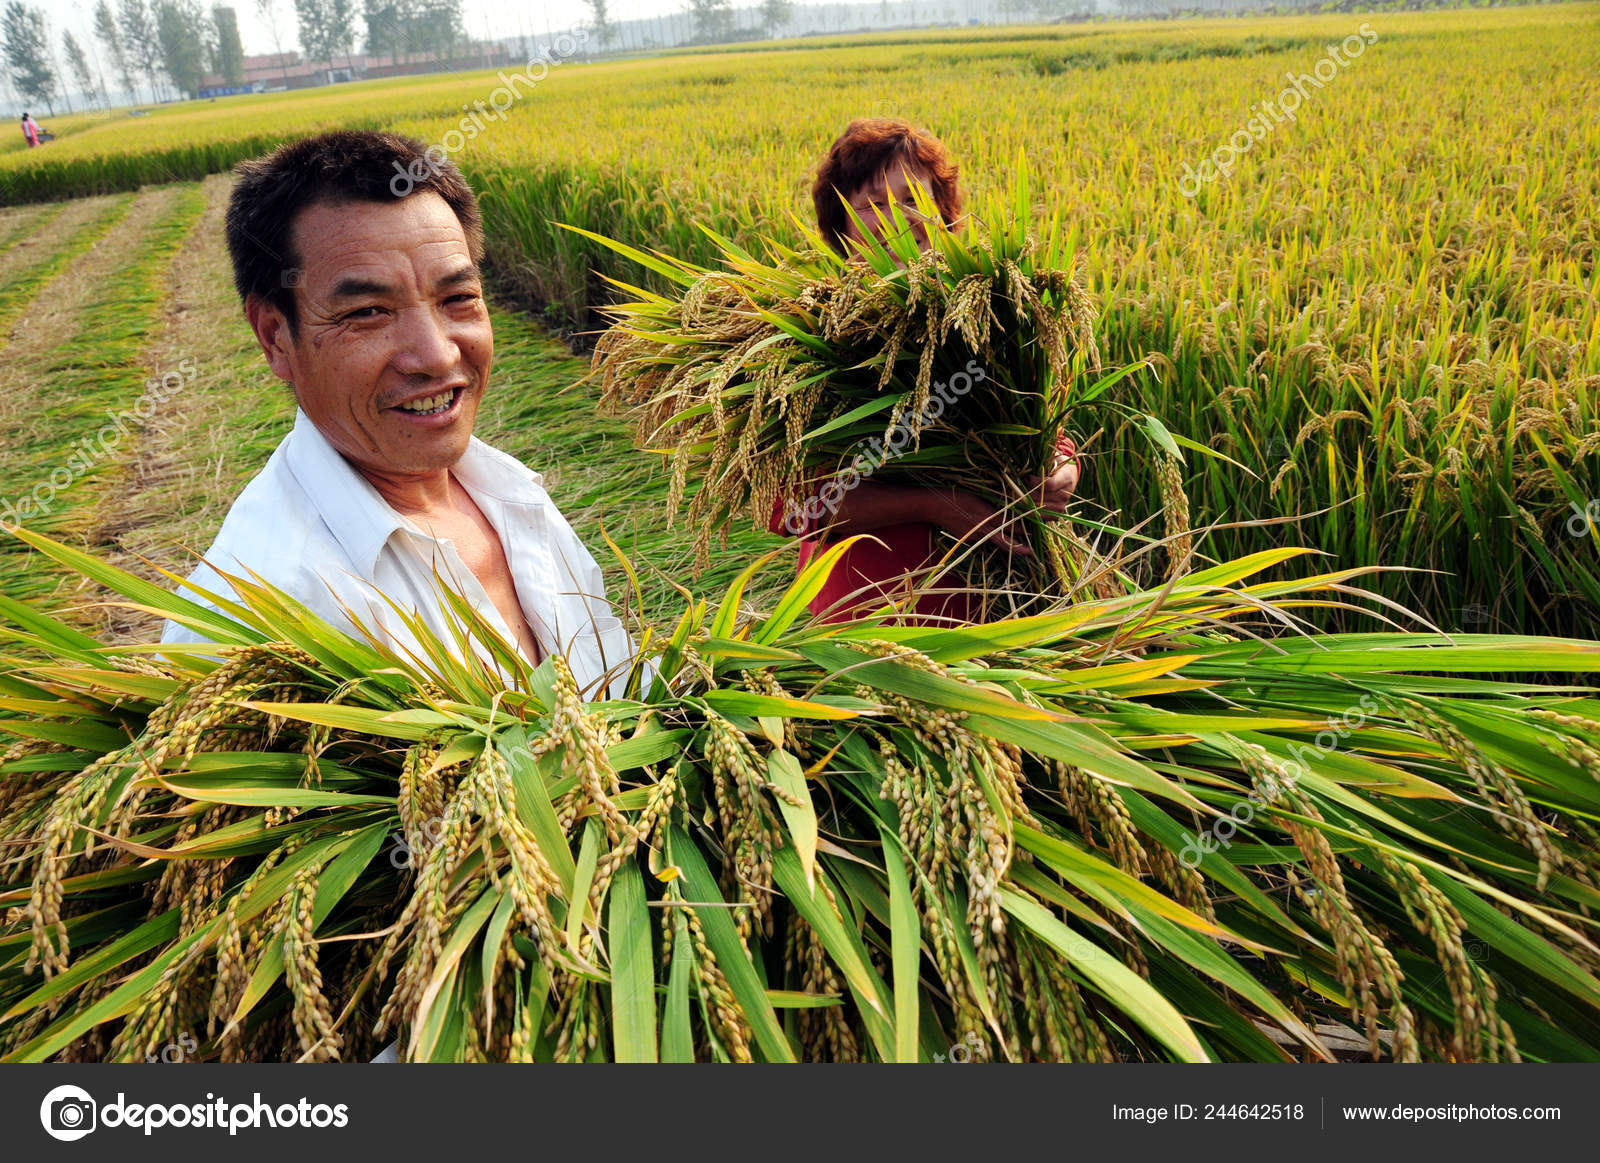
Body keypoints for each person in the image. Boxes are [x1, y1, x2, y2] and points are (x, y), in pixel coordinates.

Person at [159, 130, 637, 702]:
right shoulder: (257, 621)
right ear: (275, 337)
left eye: (457, 299)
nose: (437, 354)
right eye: (367, 312)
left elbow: (616, 692)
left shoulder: (511, 495)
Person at [767, 118, 1082, 625]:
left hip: (1008, 609)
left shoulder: (993, 312)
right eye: (873, 205)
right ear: (842, 227)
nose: (899, 218)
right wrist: (935, 505)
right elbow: (792, 507)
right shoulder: (807, 338)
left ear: (943, 211)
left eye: (913, 198)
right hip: (870, 618)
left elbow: (1050, 430)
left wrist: (1060, 473)